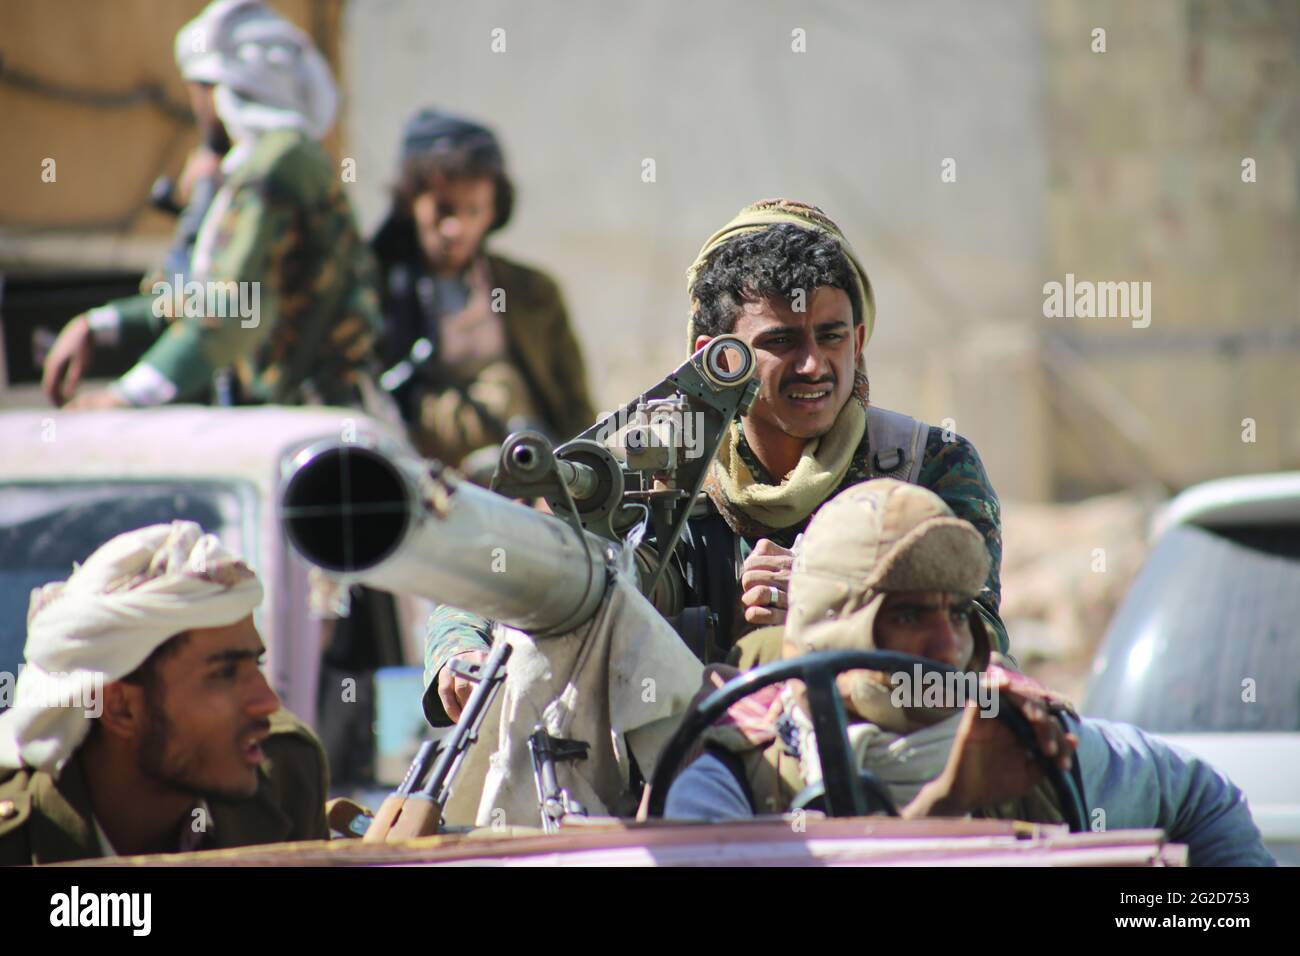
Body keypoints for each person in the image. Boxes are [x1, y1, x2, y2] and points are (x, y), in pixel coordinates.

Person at [423, 198, 1008, 724]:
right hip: (673, 774)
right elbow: (512, 573)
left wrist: (838, 602)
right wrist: (459, 653)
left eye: (830, 337)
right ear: (717, 358)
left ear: (858, 341)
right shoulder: (645, 463)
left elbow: (981, 646)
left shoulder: (924, 468)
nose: (813, 366)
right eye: (781, 342)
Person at [663, 479, 1275, 868]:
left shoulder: (1027, 749)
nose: (945, 642)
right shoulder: (741, 769)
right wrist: (947, 804)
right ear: (833, 629)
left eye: (956, 611)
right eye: (906, 613)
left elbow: (1203, 798)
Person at [41, 0, 384, 412]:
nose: (195, 109)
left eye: (196, 90)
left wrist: (124, 399)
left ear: (216, 89)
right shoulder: (259, 164)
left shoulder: (282, 161)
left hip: (318, 432)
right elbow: (203, 294)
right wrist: (98, 326)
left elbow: (237, 306)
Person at [0, 522, 329, 864]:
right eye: (224, 674)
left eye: (256, 666)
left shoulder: (283, 774)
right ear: (120, 708)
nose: (268, 702)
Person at [372, 108, 595, 477]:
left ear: (493, 212)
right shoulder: (375, 292)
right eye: (442, 210)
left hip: (528, 481)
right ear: (411, 202)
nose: (454, 228)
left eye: (472, 211)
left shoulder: (534, 295)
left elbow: (575, 408)